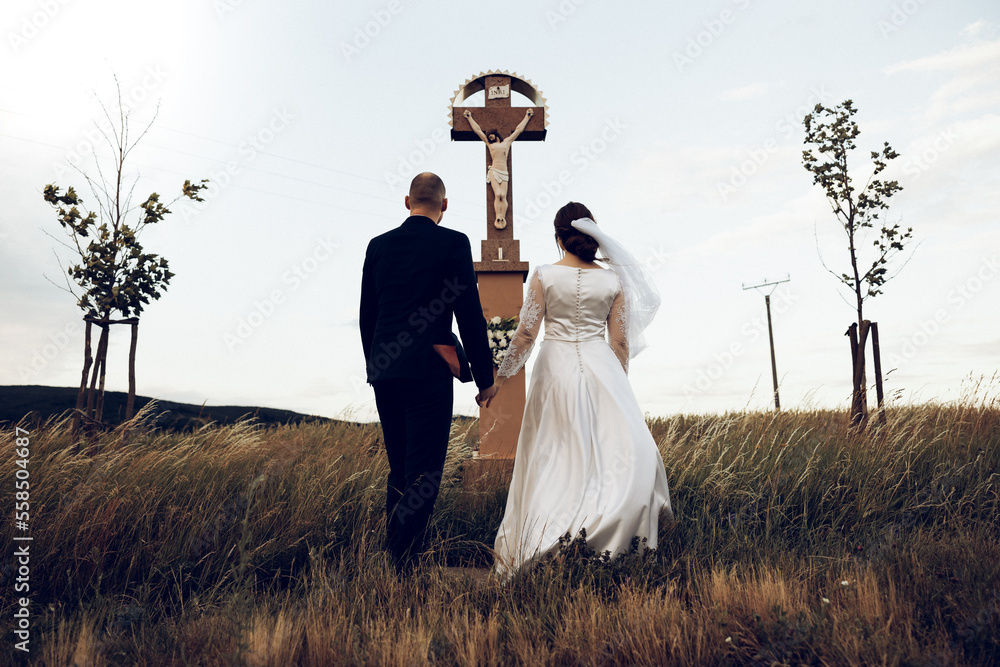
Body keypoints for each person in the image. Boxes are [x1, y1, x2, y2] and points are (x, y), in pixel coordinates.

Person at [484, 201, 672, 577]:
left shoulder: (543, 275)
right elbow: (619, 343)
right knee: (611, 452)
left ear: (558, 237)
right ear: (591, 233)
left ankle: (542, 538)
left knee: (554, 455)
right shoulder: (613, 279)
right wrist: (618, 384)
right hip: (601, 365)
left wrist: (499, 379)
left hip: (554, 369)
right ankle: (608, 536)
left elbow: (525, 335)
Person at [360, 172, 498, 573]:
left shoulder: (378, 246)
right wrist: (485, 379)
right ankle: (403, 564)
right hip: (428, 371)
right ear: (445, 204)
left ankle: (394, 559)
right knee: (425, 473)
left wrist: (375, 365)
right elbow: (469, 314)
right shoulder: (453, 243)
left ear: (407, 202)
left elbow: (369, 314)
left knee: (401, 468)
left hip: (386, 370)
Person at [463, 108, 534, 229]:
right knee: (498, 194)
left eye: (491, 136)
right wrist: (469, 117)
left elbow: (518, 130)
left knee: (503, 196)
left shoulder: (506, 142)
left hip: (504, 172)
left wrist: (527, 117)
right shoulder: (490, 145)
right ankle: (498, 217)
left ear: (496, 136)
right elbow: (478, 131)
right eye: (489, 137)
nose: (489, 137)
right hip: (494, 171)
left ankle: (503, 216)